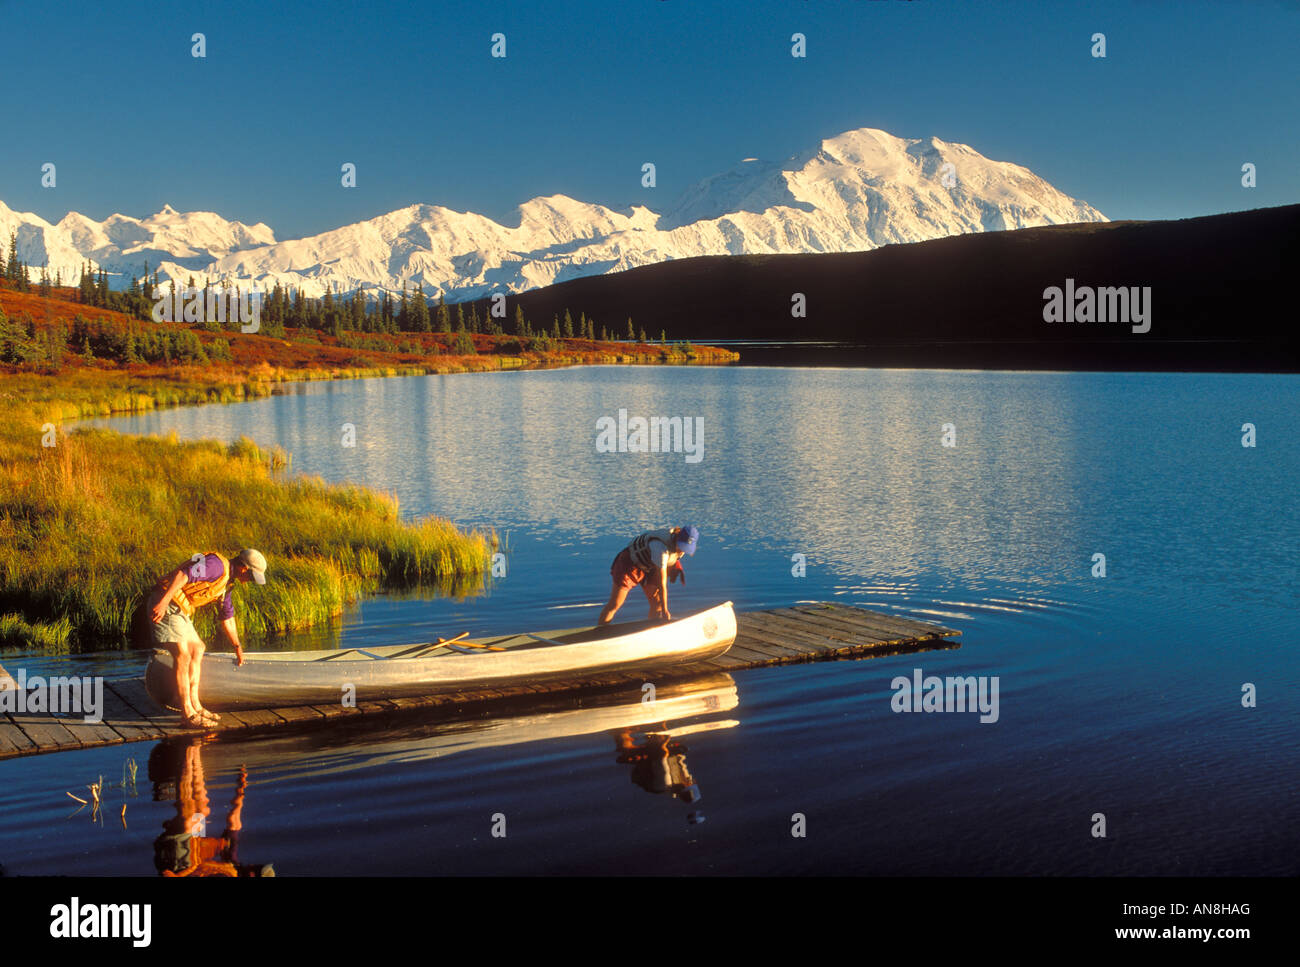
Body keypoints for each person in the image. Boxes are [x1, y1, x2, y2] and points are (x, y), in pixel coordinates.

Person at [140, 549, 267, 728]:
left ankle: (196, 706)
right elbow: (181, 575)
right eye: (252, 576)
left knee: (198, 647)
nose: (251, 581)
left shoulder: (227, 584)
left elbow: (227, 617)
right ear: (243, 568)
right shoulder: (216, 566)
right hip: (165, 602)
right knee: (182, 655)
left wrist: (237, 646)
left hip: (181, 609)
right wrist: (163, 602)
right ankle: (187, 713)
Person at [599, 525, 698, 625]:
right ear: (677, 538)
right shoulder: (660, 547)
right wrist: (665, 610)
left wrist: (676, 566)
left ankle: (651, 627)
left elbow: (672, 558)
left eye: (686, 548)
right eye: (681, 547)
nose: (682, 550)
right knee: (615, 604)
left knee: (657, 603)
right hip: (629, 563)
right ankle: (600, 633)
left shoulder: (680, 548)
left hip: (649, 566)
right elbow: (662, 583)